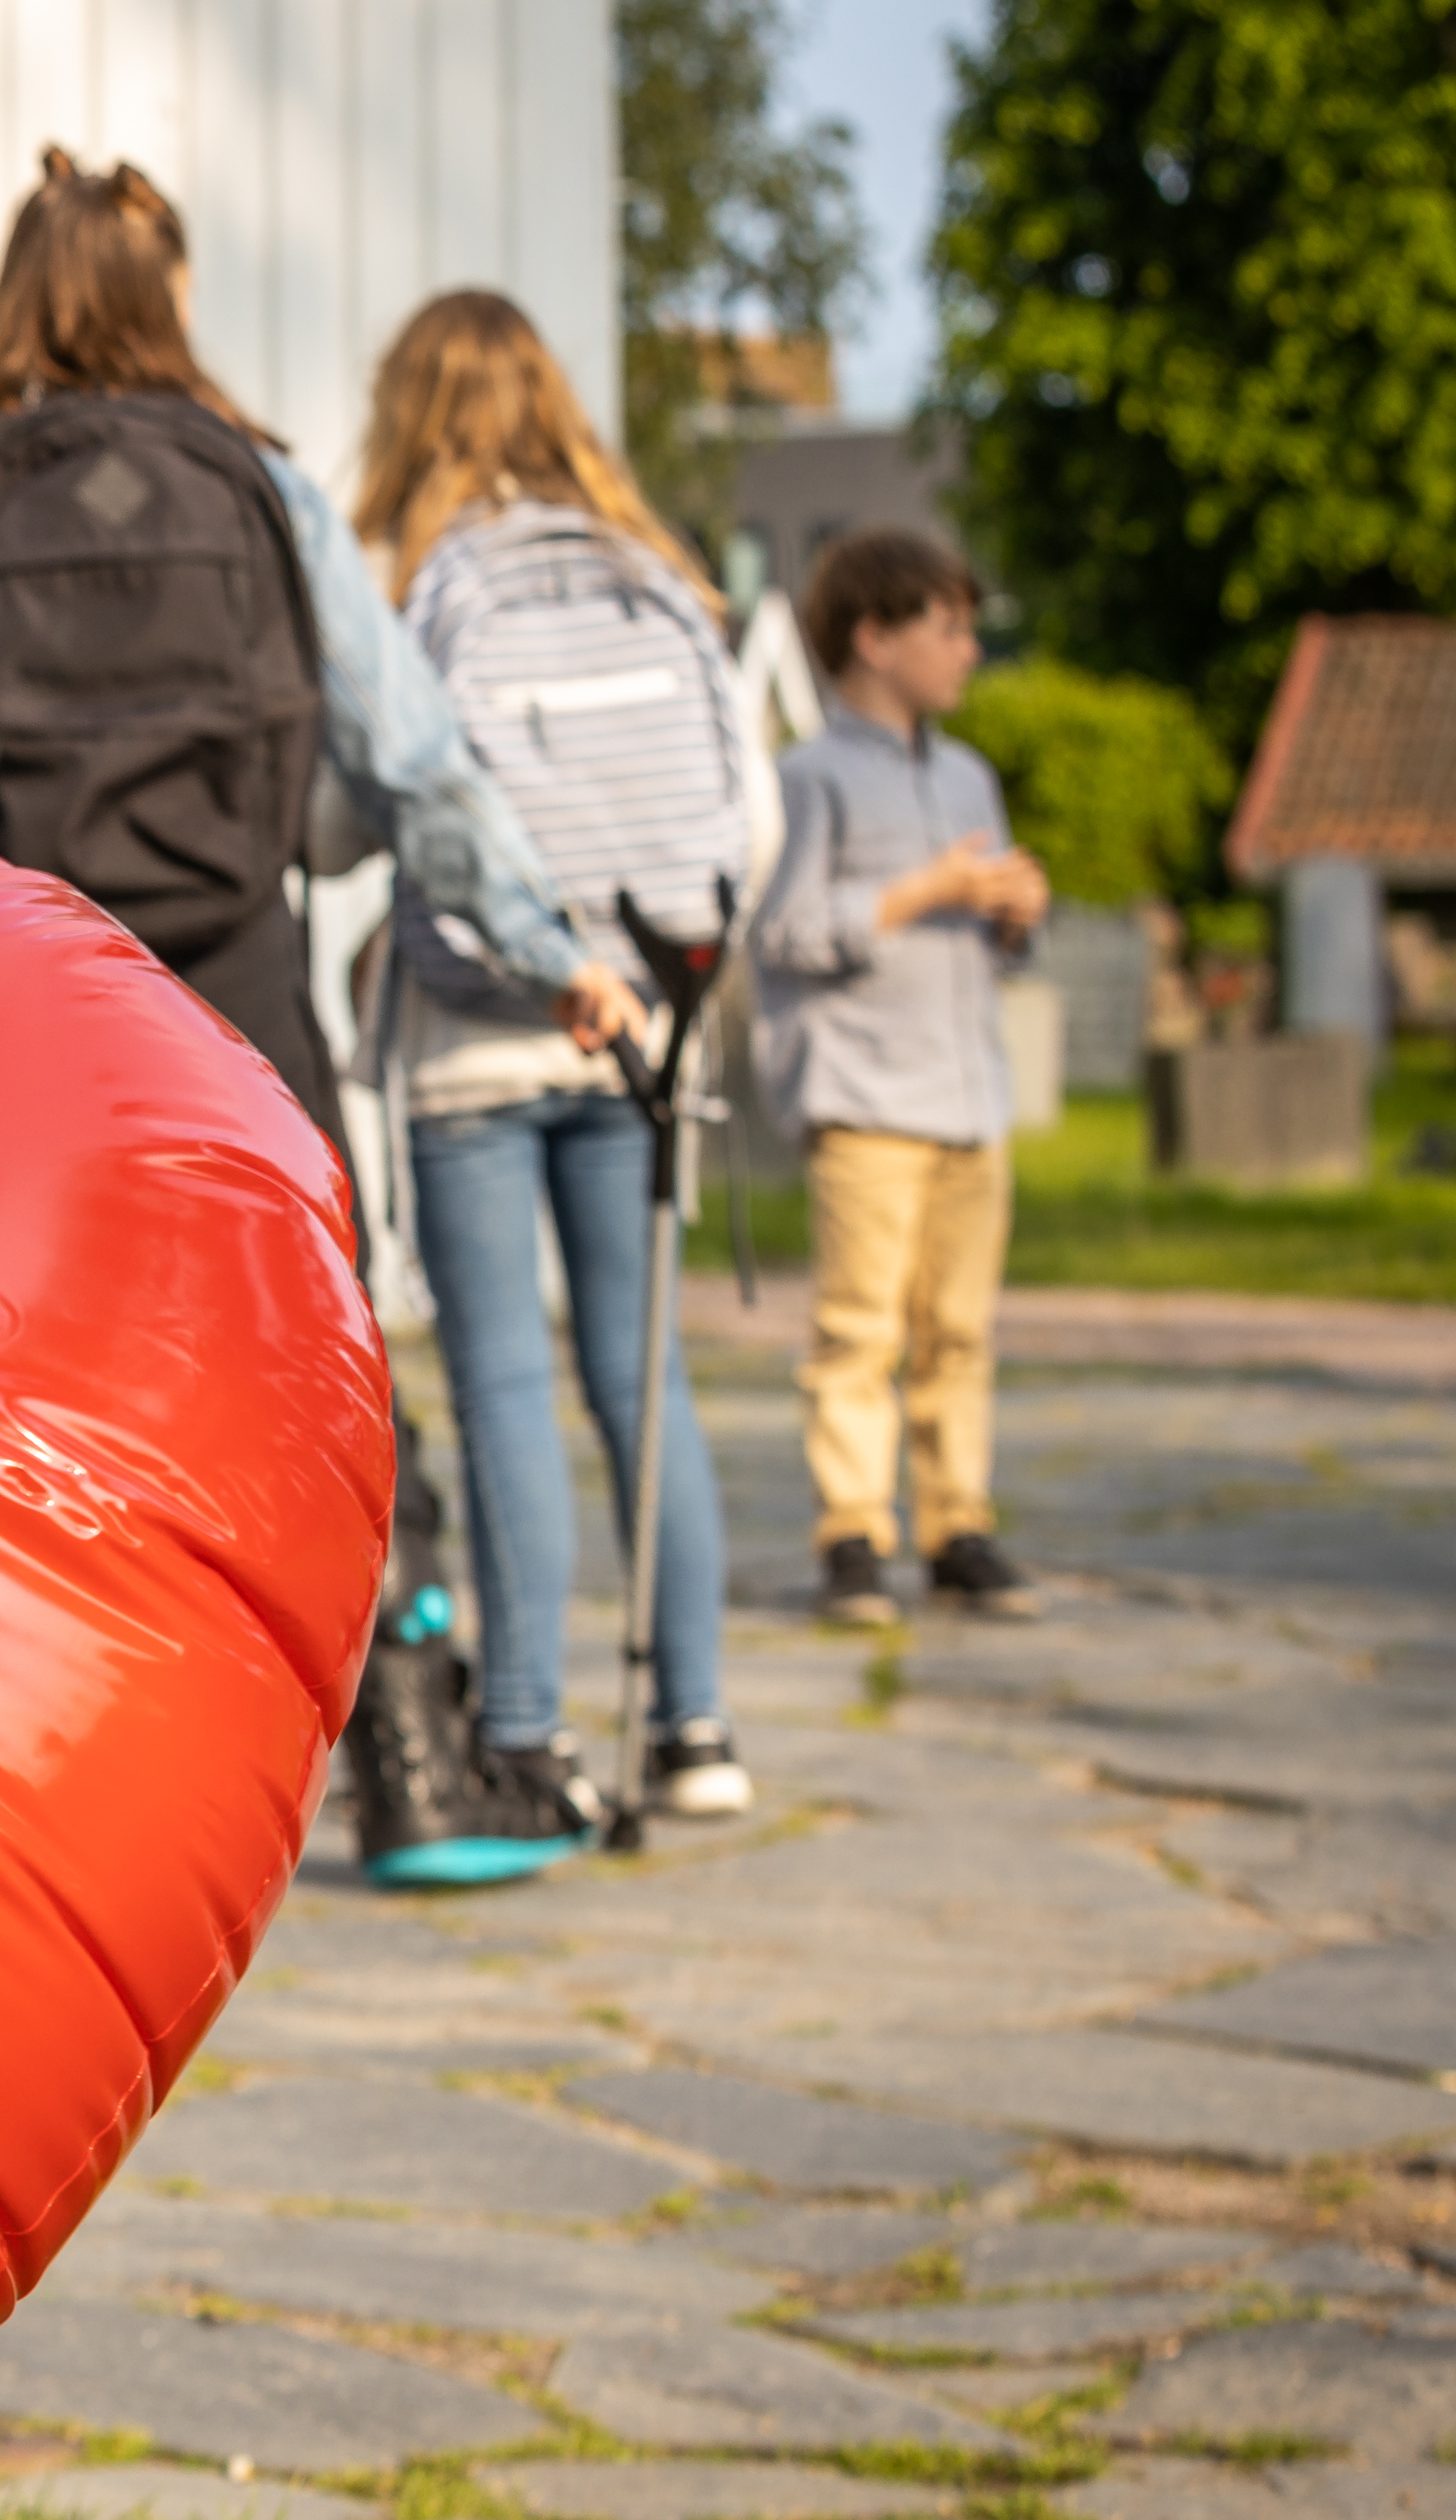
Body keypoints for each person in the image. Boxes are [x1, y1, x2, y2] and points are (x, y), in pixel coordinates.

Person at [0, 152, 637, 1885]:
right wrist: (547, 949)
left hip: (24, 1004)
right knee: (324, 1368)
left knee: (35, 1381)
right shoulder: (263, 487)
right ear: (166, 299)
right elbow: (416, 761)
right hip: (242, 999)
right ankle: (414, 1759)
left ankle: (56, 1799)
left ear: (14, 301)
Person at [351, 289, 759, 1826]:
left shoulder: (425, 590)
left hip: (476, 1035)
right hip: (641, 1022)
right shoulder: (659, 575)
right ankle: (693, 1722)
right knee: (643, 1376)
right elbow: (752, 817)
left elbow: (378, 798)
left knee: (504, 1381)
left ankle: (528, 1729)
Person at [750, 526, 1048, 1628]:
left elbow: (999, 950)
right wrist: (921, 893)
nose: (969, 650)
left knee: (960, 1327)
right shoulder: (809, 778)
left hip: (969, 1097)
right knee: (860, 1329)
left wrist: (1014, 916)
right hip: (866, 1100)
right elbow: (780, 931)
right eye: (949, 628)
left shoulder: (970, 777)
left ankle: (958, 1523)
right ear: (875, 638)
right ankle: (853, 1534)